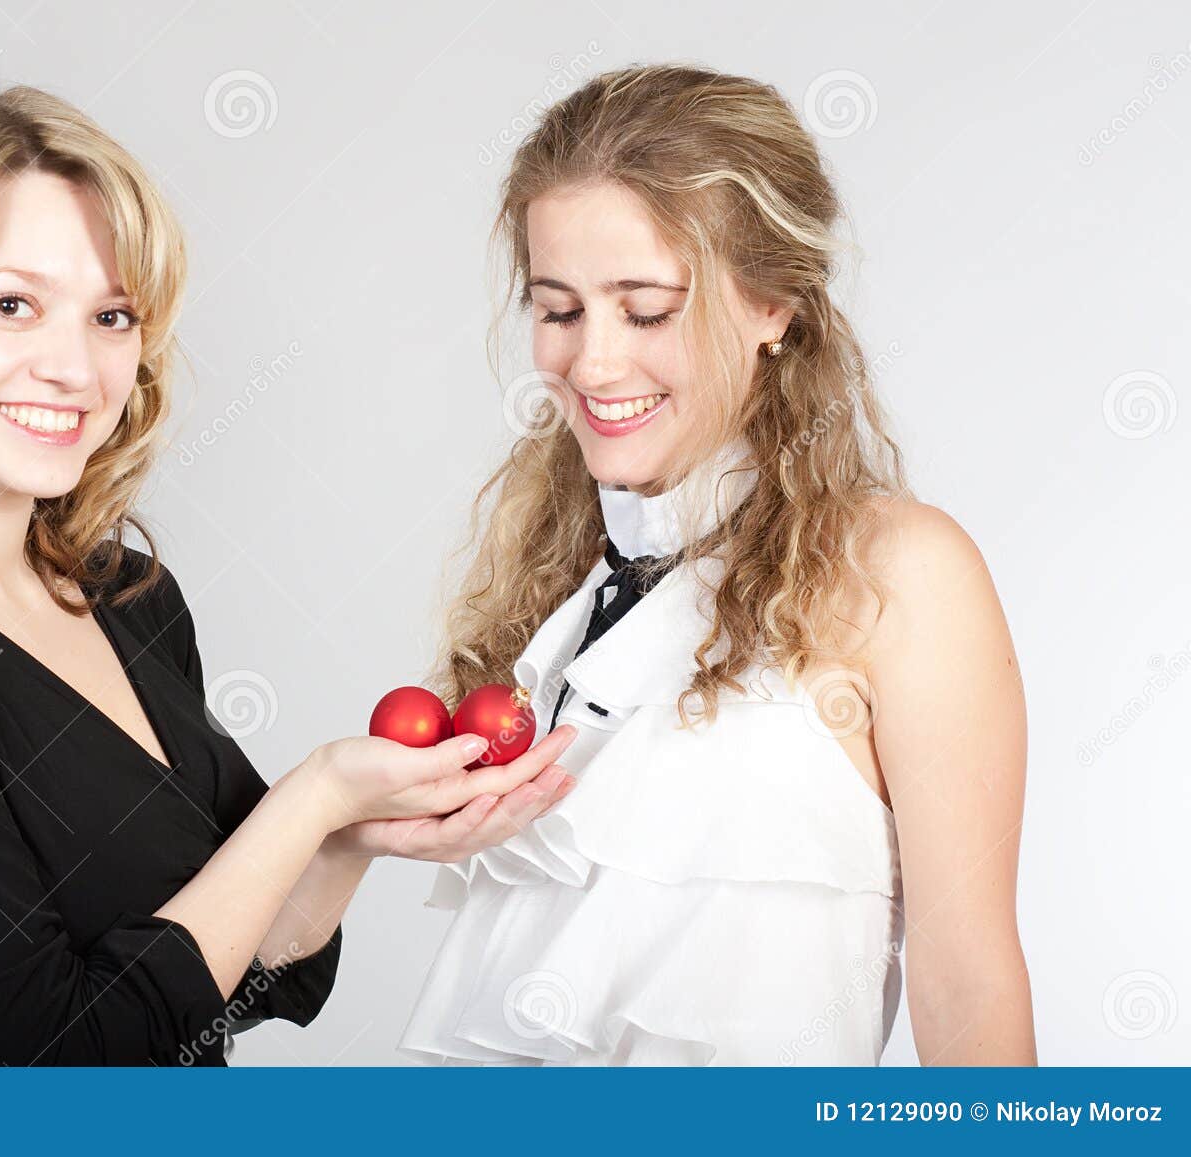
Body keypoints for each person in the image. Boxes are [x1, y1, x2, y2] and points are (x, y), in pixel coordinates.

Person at [0, 85, 577, 1066]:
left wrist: (346, 831)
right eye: (12, 304)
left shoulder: (129, 595)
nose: (75, 368)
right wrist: (312, 796)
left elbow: (244, 976)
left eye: (112, 315)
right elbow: (55, 1068)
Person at [399, 65, 1036, 1066]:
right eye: (558, 309)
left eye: (647, 310)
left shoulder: (897, 572)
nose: (592, 363)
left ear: (772, 303)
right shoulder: (559, 607)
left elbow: (964, 981)